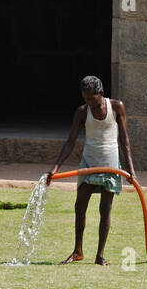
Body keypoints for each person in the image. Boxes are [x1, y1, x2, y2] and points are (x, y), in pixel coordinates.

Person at [45, 76, 135, 266]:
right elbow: (70, 141)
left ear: (101, 94)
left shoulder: (117, 107)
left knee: (105, 208)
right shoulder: (82, 112)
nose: (89, 103)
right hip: (89, 161)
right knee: (80, 206)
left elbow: (124, 140)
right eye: (85, 99)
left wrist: (130, 170)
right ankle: (78, 251)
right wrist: (55, 167)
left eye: (92, 99)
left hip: (109, 162)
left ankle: (100, 255)